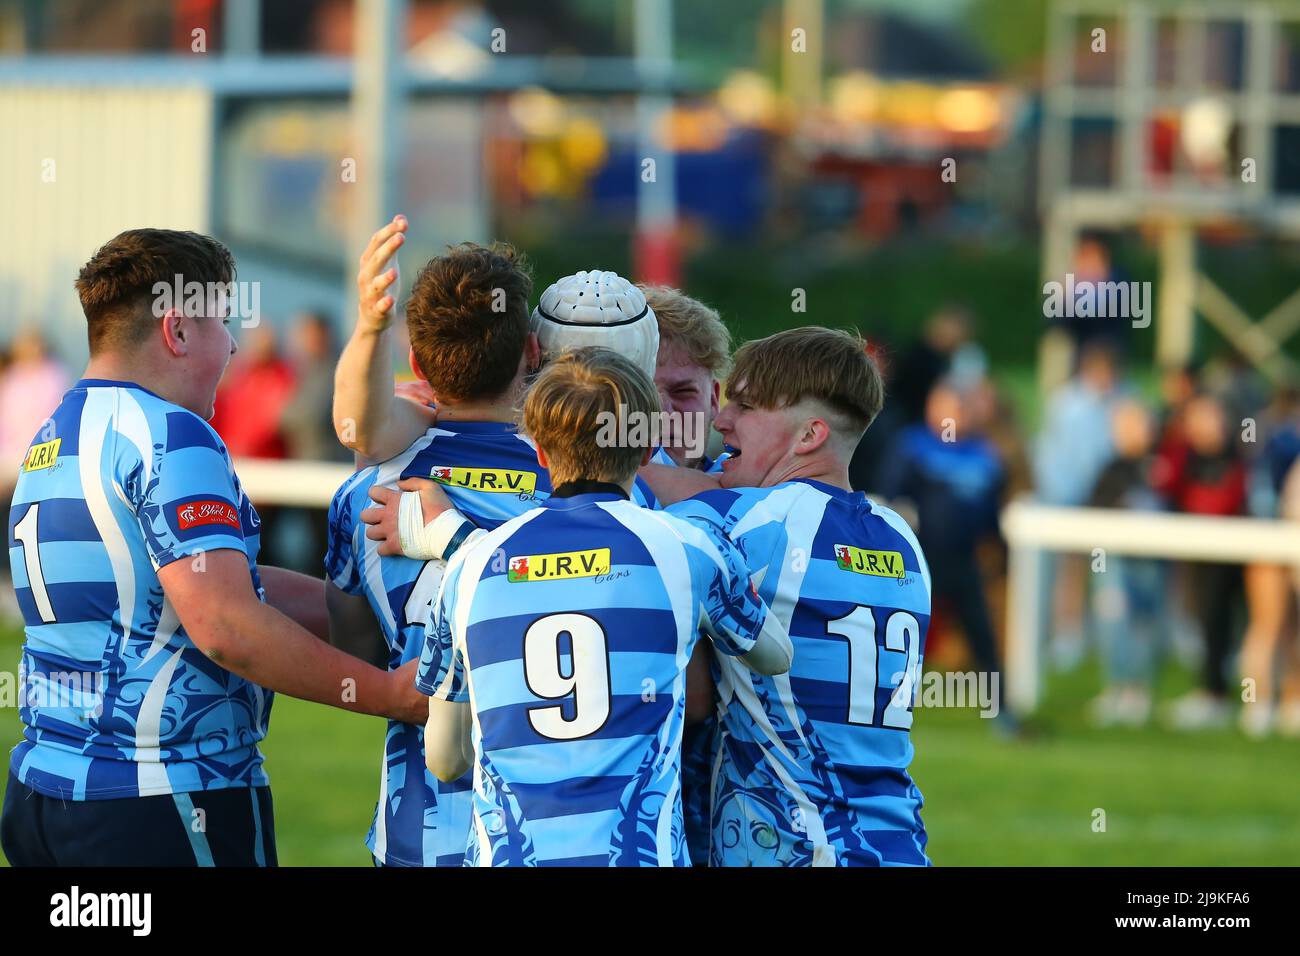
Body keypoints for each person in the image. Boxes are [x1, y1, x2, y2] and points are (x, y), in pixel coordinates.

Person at [0, 228, 425, 868]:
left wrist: (361, 611)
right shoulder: (171, 432)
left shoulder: (51, 436)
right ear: (176, 330)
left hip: (43, 795)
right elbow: (225, 624)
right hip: (162, 800)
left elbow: (205, 585)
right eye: (221, 320)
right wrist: (390, 693)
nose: (231, 343)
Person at [417, 347, 791, 866]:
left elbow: (443, 760)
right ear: (645, 451)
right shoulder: (688, 547)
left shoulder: (469, 566)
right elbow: (776, 655)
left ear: (541, 453)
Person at [641, 327, 932, 866]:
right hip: (897, 843)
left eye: (746, 407)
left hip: (803, 847)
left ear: (809, 436)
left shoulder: (757, 524)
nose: (720, 421)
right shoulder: (903, 538)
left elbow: (620, 501)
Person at [326, 236, 549, 866]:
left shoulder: (365, 494)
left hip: (421, 833)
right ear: (532, 351)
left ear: (418, 365)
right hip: (554, 831)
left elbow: (357, 649)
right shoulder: (590, 482)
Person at [877, 378, 1011, 725]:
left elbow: (993, 515)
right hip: (919, 564)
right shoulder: (913, 447)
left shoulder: (984, 455)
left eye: (958, 407)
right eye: (945, 406)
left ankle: (1002, 711)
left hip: (966, 563)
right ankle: (881, 705)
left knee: (983, 637)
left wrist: (998, 557)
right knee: (901, 635)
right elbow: (889, 499)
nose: (952, 414)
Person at [1086, 399, 1167, 726]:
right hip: (1116, 561)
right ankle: (1116, 687)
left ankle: (1139, 690)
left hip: (1150, 561)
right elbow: (1094, 508)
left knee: (1146, 624)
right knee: (1113, 620)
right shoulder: (1112, 469)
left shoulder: (1163, 467)